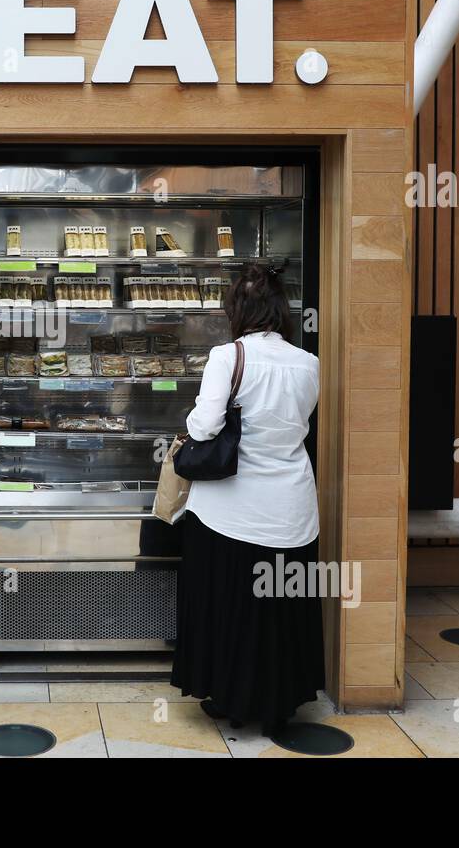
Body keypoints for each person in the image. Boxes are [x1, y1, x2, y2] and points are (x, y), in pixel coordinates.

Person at [170, 263, 324, 737]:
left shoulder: (227, 356)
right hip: (294, 505)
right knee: (280, 609)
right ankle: (280, 704)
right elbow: (300, 425)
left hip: (231, 512)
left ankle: (232, 698)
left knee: (232, 609)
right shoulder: (308, 362)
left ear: (236, 310)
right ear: (281, 311)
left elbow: (203, 428)